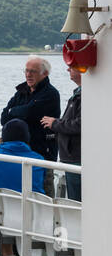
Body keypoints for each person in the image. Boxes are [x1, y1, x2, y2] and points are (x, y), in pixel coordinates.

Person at [0, 56, 61, 162]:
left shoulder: (50, 94)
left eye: (33, 72)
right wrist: (20, 111)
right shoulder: (22, 91)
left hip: (42, 152)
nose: (28, 75)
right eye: (26, 71)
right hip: (18, 152)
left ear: (45, 73)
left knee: (41, 178)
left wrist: (12, 111)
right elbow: (4, 119)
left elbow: (29, 113)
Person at [41, 64, 82, 201]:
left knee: (77, 200)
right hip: (71, 157)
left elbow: (80, 124)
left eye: (72, 66)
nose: (68, 69)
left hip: (76, 158)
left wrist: (55, 123)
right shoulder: (78, 94)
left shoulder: (84, 96)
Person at [0, 119, 45, 194]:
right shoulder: (39, 160)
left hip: (2, 204)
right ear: (27, 137)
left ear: (4, 137)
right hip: (31, 204)